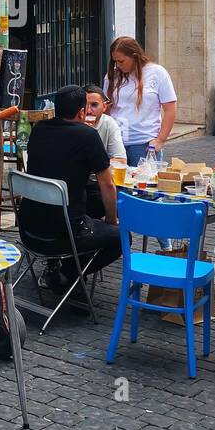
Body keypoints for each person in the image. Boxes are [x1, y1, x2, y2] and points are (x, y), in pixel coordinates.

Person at [20, 85, 121, 288]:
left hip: (28, 229)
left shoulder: (38, 129)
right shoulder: (88, 136)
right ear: (81, 112)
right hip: (64, 234)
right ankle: (68, 273)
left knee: (89, 201)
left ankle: (60, 270)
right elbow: (108, 184)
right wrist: (111, 220)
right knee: (120, 237)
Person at [104, 36, 177, 166]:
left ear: (135, 56)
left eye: (121, 61)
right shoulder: (112, 76)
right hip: (116, 142)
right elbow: (106, 109)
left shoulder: (157, 72)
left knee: (142, 184)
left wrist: (160, 140)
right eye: (115, 61)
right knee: (115, 185)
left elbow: (170, 108)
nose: (118, 65)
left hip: (144, 143)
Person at [84, 84, 125, 159]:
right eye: (84, 105)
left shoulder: (109, 123)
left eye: (94, 105)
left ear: (104, 107)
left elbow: (120, 160)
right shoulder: (73, 123)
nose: (89, 111)